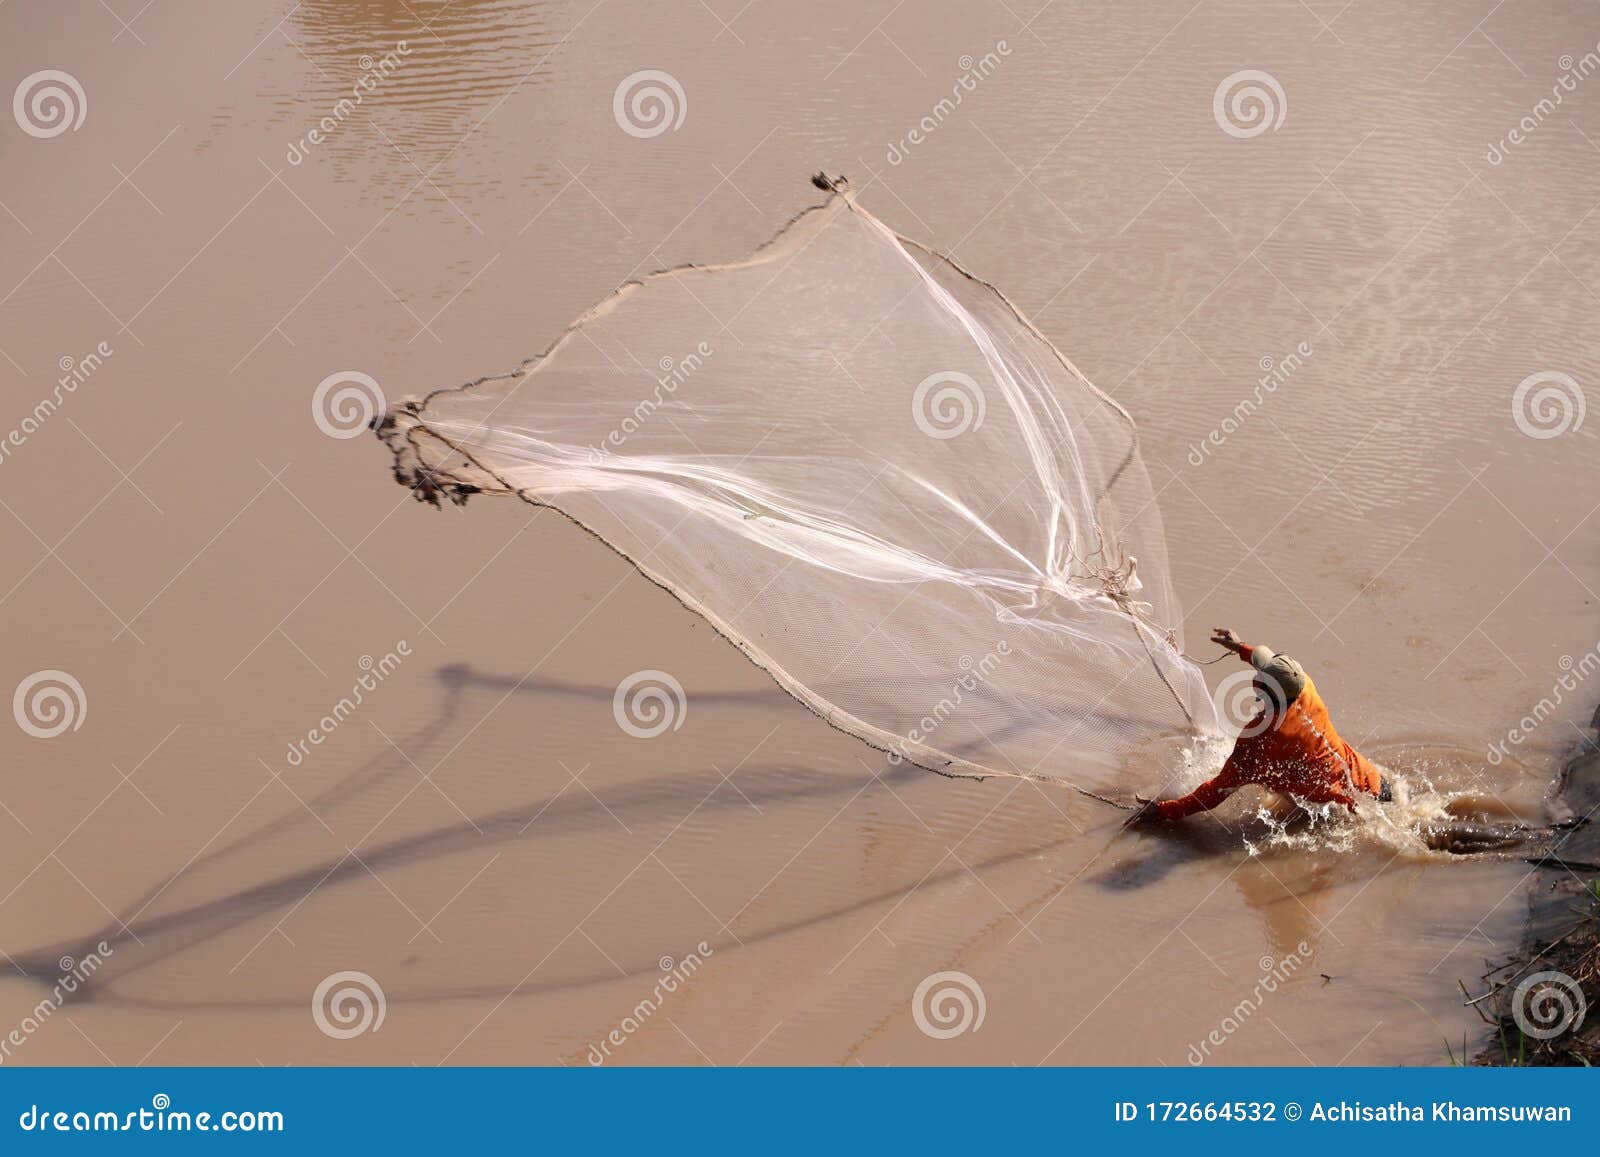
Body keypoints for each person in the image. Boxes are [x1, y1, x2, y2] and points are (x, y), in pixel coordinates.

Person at [1128, 628, 1390, 824]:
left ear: (1260, 689)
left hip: (1344, 815)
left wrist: (1164, 811)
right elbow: (1270, 662)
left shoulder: (1259, 739)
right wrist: (1239, 646)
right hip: (1374, 783)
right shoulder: (1304, 687)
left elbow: (1216, 792)